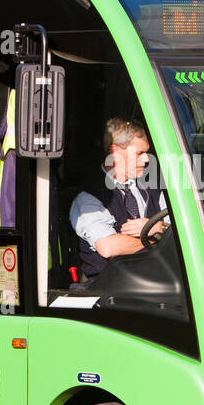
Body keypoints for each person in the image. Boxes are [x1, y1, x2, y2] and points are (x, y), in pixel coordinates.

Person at [70, 118, 167, 282]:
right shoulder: (89, 198)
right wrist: (156, 238)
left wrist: (160, 226)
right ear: (115, 151)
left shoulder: (154, 188)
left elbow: (180, 230)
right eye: (139, 153)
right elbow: (109, 247)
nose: (146, 160)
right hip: (112, 292)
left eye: (146, 152)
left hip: (158, 281)